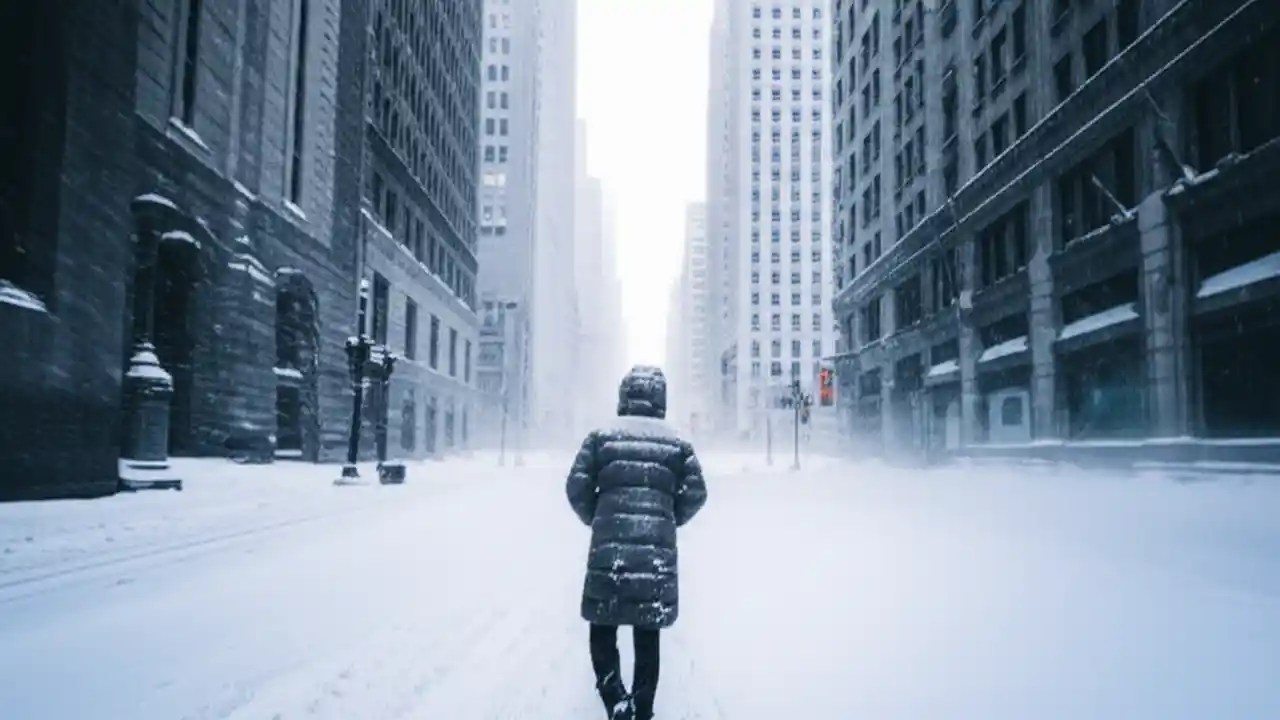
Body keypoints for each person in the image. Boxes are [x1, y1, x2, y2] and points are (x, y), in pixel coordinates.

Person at [566, 365, 708, 720]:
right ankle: (642, 710)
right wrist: (667, 519)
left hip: (608, 554)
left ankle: (615, 698)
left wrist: (599, 520)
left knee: (602, 628)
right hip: (654, 560)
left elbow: (576, 487)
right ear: (660, 399)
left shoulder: (601, 438)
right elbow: (696, 493)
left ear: (623, 396)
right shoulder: (677, 444)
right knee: (647, 636)